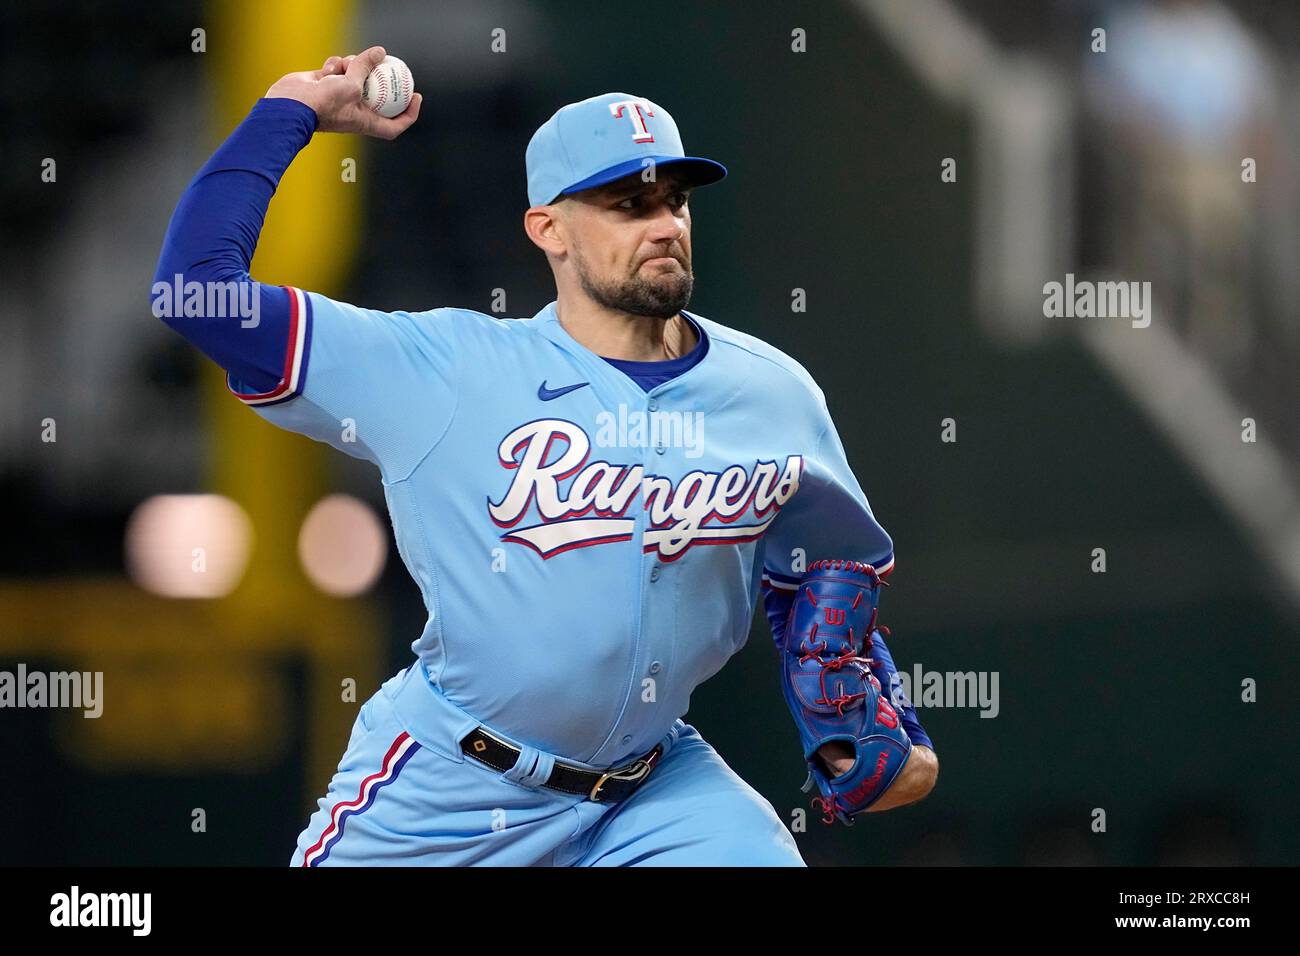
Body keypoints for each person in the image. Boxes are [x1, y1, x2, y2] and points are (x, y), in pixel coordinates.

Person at [152, 46, 938, 866]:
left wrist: (865, 719)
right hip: (452, 788)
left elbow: (827, 575)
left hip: (652, 790)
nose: (665, 223)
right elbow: (193, 290)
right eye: (627, 203)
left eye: (674, 199)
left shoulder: (773, 394)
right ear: (547, 228)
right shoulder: (443, 370)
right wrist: (291, 109)